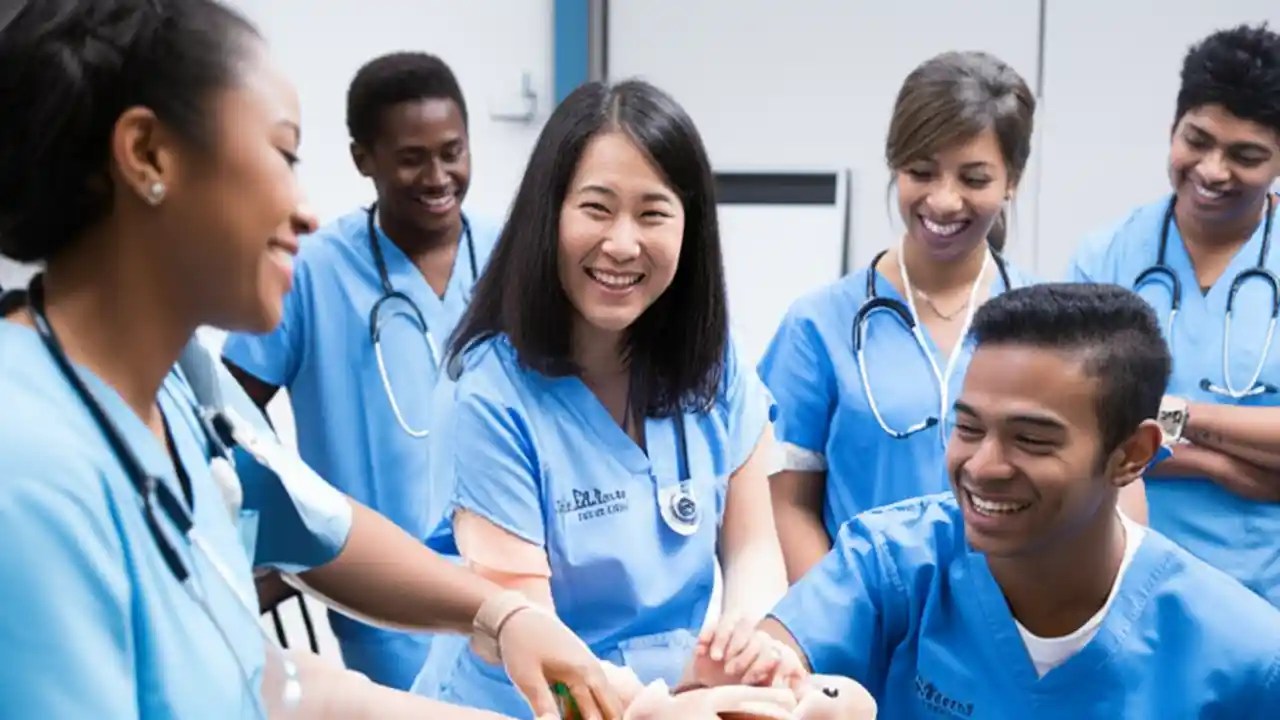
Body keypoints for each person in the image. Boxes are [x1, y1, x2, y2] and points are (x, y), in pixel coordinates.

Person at [0, 2, 622, 718]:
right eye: (284, 155)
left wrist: (503, 616)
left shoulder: (185, 397)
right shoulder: (28, 465)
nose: (306, 211)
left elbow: (281, 656)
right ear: (147, 154)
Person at [408, 79, 789, 719]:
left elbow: (753, 546)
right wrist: (686, 703)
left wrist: (750, 636)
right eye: (596, 207)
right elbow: (537, 637)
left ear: (689, 228)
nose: (621, 243)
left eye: (653, 212)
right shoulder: (490, 396)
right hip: (522, 704)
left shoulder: (715, 361)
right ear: (549, 213)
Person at [728, 284, 1280, 717]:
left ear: (1132, 454)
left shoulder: (1245, 654)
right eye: (967, 428)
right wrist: (757, 685)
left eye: (1032, 439)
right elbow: (770, 668)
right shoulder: (891, 564)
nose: (983, 466)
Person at [221, 51, 500, 688]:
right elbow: (228, 419)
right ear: (362, 159)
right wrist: (269, 548)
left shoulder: (514, 256)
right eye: (411, 157)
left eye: (452, 151)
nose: (438, 176)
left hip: (512, 583)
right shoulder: (311, 270)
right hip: (383, 603)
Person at [757, 50, 1041, 582]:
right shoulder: (819, 326)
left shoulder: (1047, 326)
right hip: (863, 630)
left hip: (1010, 624)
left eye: (974, 179)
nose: (943, 200)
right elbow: (787, 504)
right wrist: (839, 621)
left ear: (1012, 180)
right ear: (895, 166)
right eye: (921, 172)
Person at [1068, 23, 1280, 608]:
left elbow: (1122, 435)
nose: (1213, 170)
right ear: (1172, 129)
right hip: (1124, 584)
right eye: (1198, 140)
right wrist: (1224, 467)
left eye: (1246, 155)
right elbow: (1082, 429)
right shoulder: (1105, 257)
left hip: (1265, 592)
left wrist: (1169, 416)